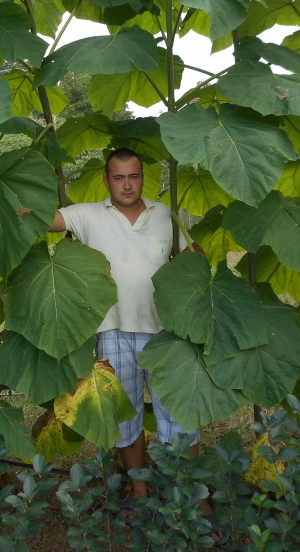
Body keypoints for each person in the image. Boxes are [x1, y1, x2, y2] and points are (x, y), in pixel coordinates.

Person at [50, 148, 219, 537]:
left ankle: (195, 497)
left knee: (179, 414)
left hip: (166, 334)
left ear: (143, 178)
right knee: (124, 416)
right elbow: (44, 221)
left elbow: (193, 257)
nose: (127, 184)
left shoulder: (164, 215)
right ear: (107, 180)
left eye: (134, 176)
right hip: (112, 330)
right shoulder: (87, 214)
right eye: (119, 177)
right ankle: (140, 491)